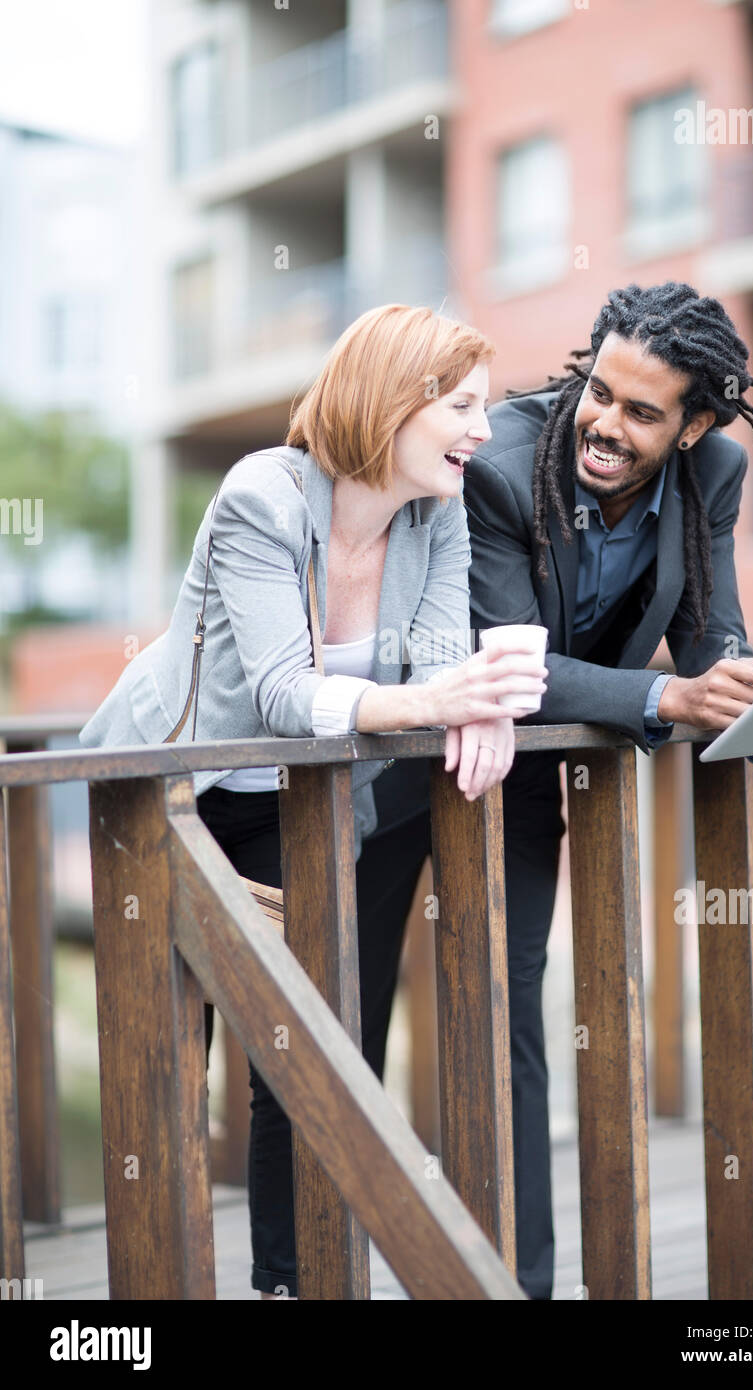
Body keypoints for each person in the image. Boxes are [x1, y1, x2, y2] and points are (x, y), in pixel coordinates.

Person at [353, 281, 753, 1300]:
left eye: (642, 412)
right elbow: (512, 662)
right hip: (399, 763)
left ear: (697, 424)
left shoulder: (712, 471)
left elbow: (711, 628)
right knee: (338, 1020)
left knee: (506, 1025)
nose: (605, 423)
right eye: (600, 392)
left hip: (528, 779)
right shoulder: (498, 467)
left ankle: (515, 1286)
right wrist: (670, 693)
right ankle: (295, 1274)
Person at [78, 302, 550, 1299]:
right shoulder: (263, 496)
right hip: (171, 794)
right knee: (169, 1053)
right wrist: (436, 697)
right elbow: (286, 693)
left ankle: (286, 1286)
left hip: (298, 807)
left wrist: (482, 712)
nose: (481, 430)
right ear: (392, 404)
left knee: (293, 1054)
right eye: (461, 406)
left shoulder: (438, 513)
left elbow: (437, 666)